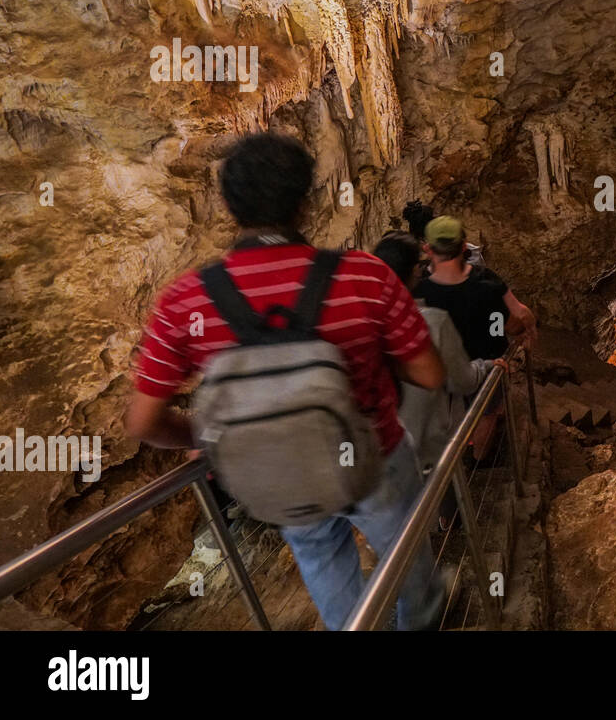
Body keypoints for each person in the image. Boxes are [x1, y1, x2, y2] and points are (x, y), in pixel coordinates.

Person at [126, 133, 448, 631]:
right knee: (410, 563)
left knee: (324, 567)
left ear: (229, 208)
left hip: (277, 470)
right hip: (375, 457)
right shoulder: (365, 275)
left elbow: (144, 421)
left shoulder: (185, 300)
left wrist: (213, 437)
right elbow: (429, 373)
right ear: (305, 202)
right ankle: (420, 621)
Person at [373, 232, 497, 530]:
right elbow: (463, 381)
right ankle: (447, 525)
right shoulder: (432, 322)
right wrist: (487, 365)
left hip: (381, 443)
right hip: (431, 438)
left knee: (401, 516)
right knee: (442, 491)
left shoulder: (361, 320)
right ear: (415, 271)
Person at [413, 216, 537, 360]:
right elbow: (514, 320)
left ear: (428, 249)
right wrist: (526, 329)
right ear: (464, 246)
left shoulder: (418, 288)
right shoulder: (485, 282)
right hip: (488, 369)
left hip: (442, 373)